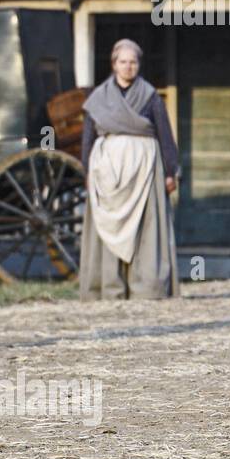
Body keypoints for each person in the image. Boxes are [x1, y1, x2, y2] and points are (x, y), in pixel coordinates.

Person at [79, 38, 180, 300]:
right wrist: (87, 170)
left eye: (133, 62)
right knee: (107, 226)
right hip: (107, 170)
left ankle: (146, 287)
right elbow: (88, 136)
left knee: (146, 227)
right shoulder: (98, 98)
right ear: (114, 65)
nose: (128, 67)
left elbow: (164, 134)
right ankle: (108, 287)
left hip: (144, 168)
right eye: (123, 62)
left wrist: (171, 171)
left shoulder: (150, 96)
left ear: (138, 65)